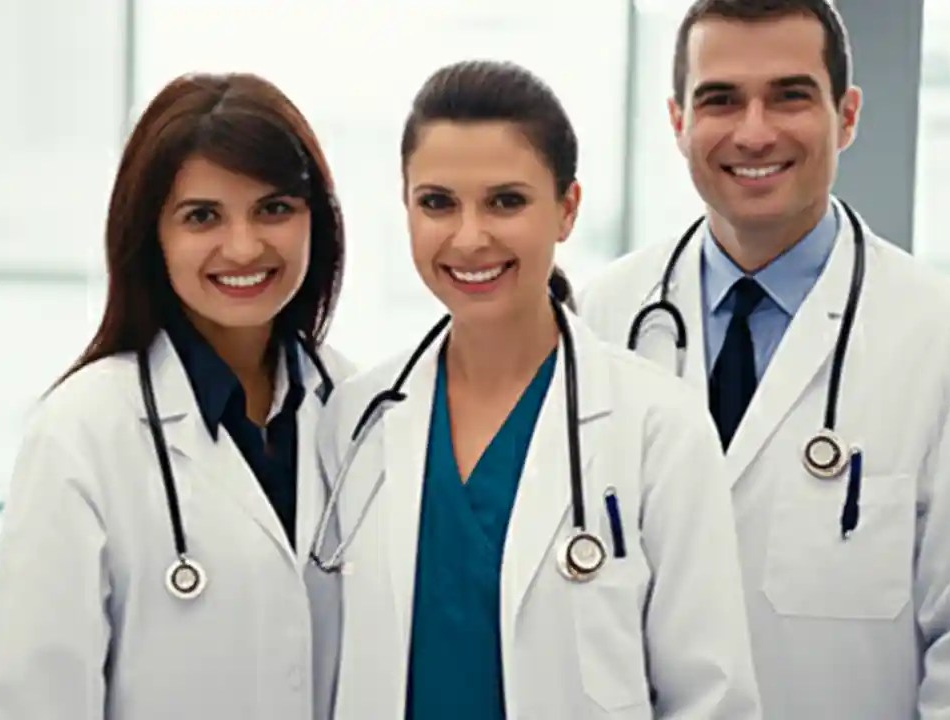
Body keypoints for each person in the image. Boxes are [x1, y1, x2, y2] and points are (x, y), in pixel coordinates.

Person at [579, 1, 950, 717]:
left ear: (846, 116)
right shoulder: (599, 323)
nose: (754, 131)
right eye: (721, 99)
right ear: (678, 122)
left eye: (790, 96)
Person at [310, 59, 761, 720]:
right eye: (437, 202)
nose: (469, 237)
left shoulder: (657, 425)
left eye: (506, 201)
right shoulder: (357, 418)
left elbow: (710, 699)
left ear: (566, 209)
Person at [0, 72, 352, 720]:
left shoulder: (359, 411)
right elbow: (38, 699)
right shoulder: (83, 430)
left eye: (274, 209)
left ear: (314, 221)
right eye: (202, 216)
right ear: (151, 234)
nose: (244, 246)